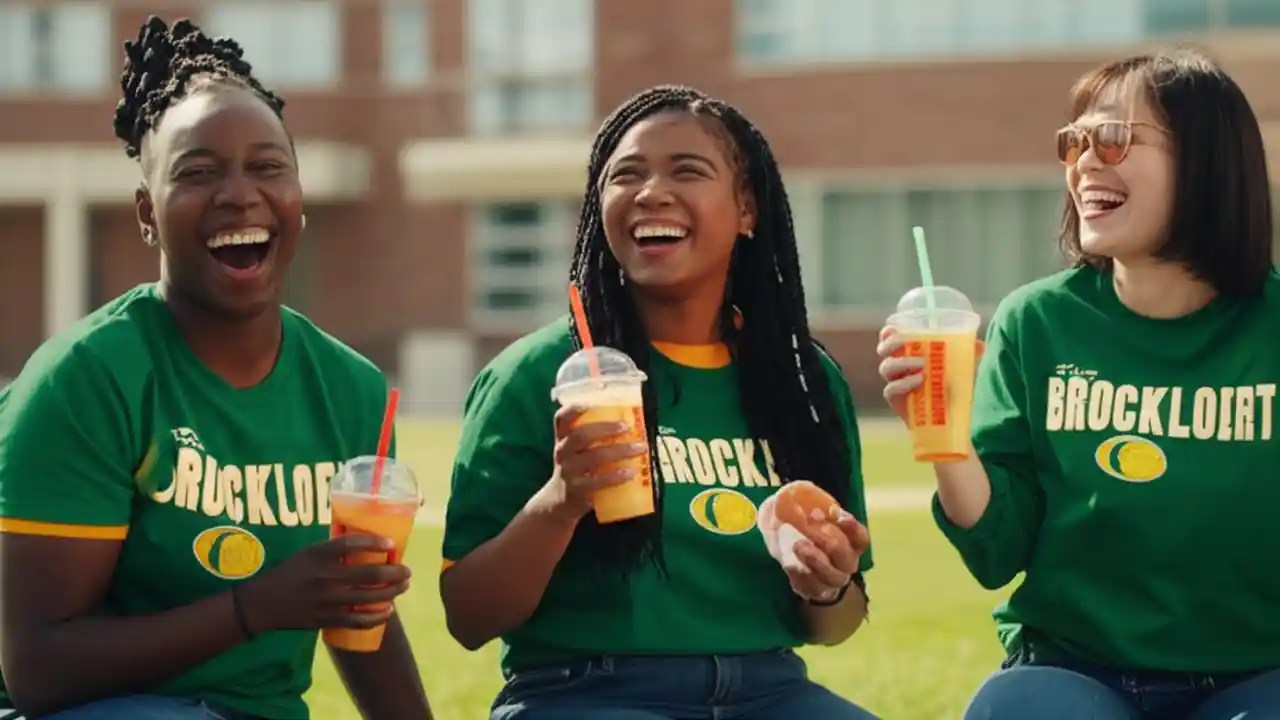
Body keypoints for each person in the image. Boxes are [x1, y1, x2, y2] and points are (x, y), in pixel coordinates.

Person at [0, 16, 432, 720]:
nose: (239, 193)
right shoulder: (85, 380)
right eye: (198, 173)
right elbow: (39, 669)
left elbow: (356, 614)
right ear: (147, 213)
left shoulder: (351, 391)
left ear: (299, 199)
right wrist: (254, 608)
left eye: (268, 167)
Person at [440, 85, 877, 720]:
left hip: (771, 690)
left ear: (746, 208)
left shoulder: (802, 380)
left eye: (687, 171)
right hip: (586, 691)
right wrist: (561, 501)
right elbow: (468, 616)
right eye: (626, 175)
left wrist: (829, 582)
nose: (651, 192)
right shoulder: (534, 375)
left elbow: (835, 625)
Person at [878, 48, 1279, 720]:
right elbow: (998, 550)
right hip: (1075, 672)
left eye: (1115, 137)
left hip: (1258, 673)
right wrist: (943, 437)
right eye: (1075, 141)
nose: (1085, 161)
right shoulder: (1036, 322)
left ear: (1207, 159)